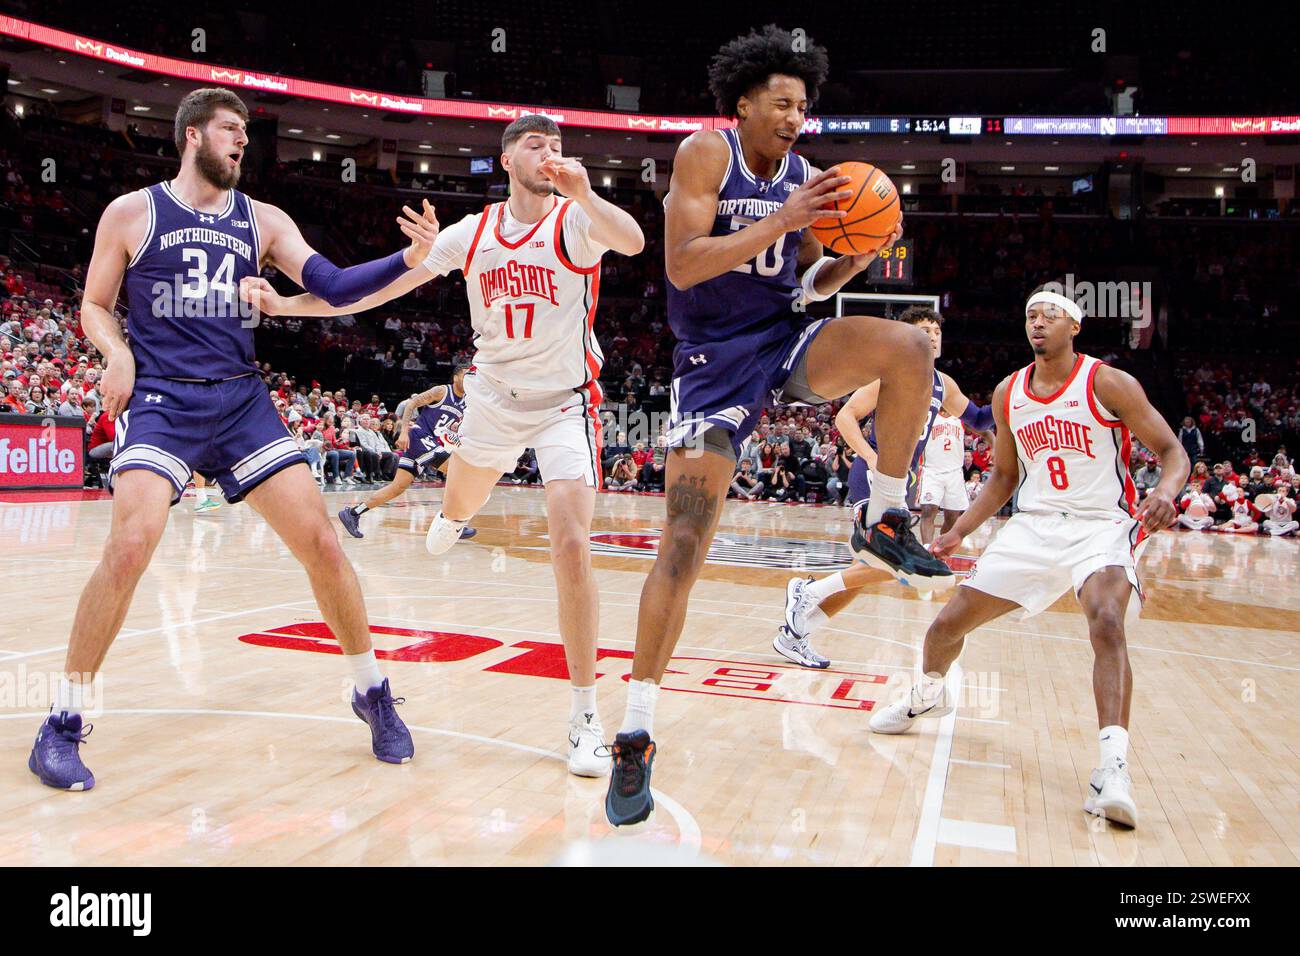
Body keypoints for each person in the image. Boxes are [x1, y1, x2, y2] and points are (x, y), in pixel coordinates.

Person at [28, 88, 427, 792]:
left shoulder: (263, 220)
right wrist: (116, 355)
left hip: (240, 399)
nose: (242, 141)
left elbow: (331, 286)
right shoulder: (133, 212)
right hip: (161, 398)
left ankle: (371, 692)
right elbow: (94, 303)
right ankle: (60, 722)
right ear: (191, 136)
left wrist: (407, 258)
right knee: (127, 547)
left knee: (324, 544)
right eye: (229, 129)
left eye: (245, 132)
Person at [603, 25, 950, 827]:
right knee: (684, 546)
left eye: (805, 106)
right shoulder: (705, 154)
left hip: (782, 337)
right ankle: (636, 730)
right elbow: (684, 263)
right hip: (711, 362)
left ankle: (884, 515)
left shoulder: (810, 178)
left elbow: (808, 279)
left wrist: (859, 255)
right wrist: (784, 215)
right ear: (746, 101)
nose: (797, 118)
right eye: (784, 103)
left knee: (905, 347)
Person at [242, 113, 645, 779]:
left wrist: (587, 190)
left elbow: (629, 242)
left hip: (565, 405)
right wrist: (287, 307)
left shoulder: (576, 219)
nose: (552, 155)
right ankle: (454, 515)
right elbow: (376, 290)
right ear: (510, 159)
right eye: (538, 146)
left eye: (560, 147)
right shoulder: (475, 232)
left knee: (572, 543)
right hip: (491, 399)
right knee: (460, 501)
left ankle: (583, 716)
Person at [867, 283, 1190, 831]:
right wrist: (959, 532)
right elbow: (1003, 478)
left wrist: (1166, 492)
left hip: (1100, 527)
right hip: (1033, 527)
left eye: (1049, 315)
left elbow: (1172, 452)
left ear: (1074, 327)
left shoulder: (1107, 382)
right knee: (945, 628)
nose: (1037, 323)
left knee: (1107, 620)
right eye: (1030, 316)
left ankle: (1112, 769)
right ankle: (928, 696)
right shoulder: (1008, 392)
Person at [778, 307, 993, 667]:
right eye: (923, 330)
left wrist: (1017, 394)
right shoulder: (890, 376)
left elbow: (979, 419)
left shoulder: (944, 383)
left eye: (936, 330)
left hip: (901, 481)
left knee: (866, 568)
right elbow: (845, 416)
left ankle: (795, 634)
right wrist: (870, 457)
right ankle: (806, 592)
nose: (933, 336)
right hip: (874, 473)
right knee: (888, 561)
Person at [336, 362, 476, 541]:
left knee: (397, 487)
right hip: (419, 437)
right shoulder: (441, 391)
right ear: (456, 377)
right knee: (458, 474)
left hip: (431, 442)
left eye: (472, 376)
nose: (469, 380)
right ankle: (452, 522)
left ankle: (353, 513)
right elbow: (412, 404)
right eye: (466, 375)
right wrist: (403, 432)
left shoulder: (466, 401)